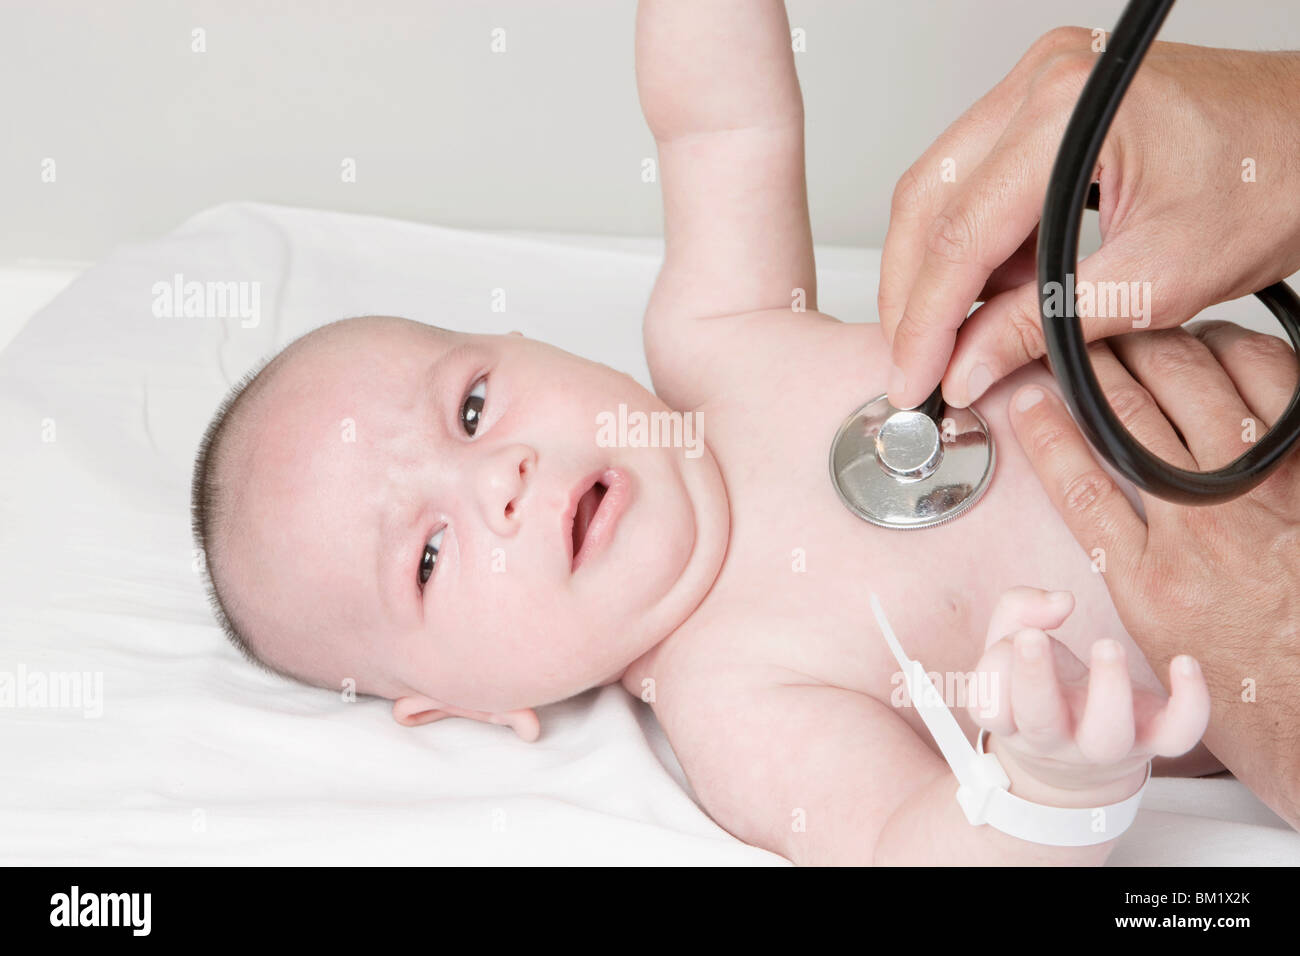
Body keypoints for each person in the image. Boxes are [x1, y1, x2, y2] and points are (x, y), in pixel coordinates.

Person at [881, 26, 1300, 827]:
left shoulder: (709, 335)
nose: (556, 460)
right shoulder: (722, 685)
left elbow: (719, 129)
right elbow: (898, 842)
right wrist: (1051, 786)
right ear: (551, 704)